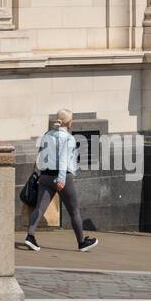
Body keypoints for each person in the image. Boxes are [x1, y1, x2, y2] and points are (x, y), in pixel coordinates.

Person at [22, 108, 98, 253]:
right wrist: (62, 179)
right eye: (72, 119)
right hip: (62, 177)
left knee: (39, 208)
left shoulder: (47, 134)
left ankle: (30, 236)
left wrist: (40, 173)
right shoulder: (68, 138)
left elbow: (40, 155)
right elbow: (63, 160)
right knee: (74, 210)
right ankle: (82, 243)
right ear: (69, 122)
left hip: (45, 176)